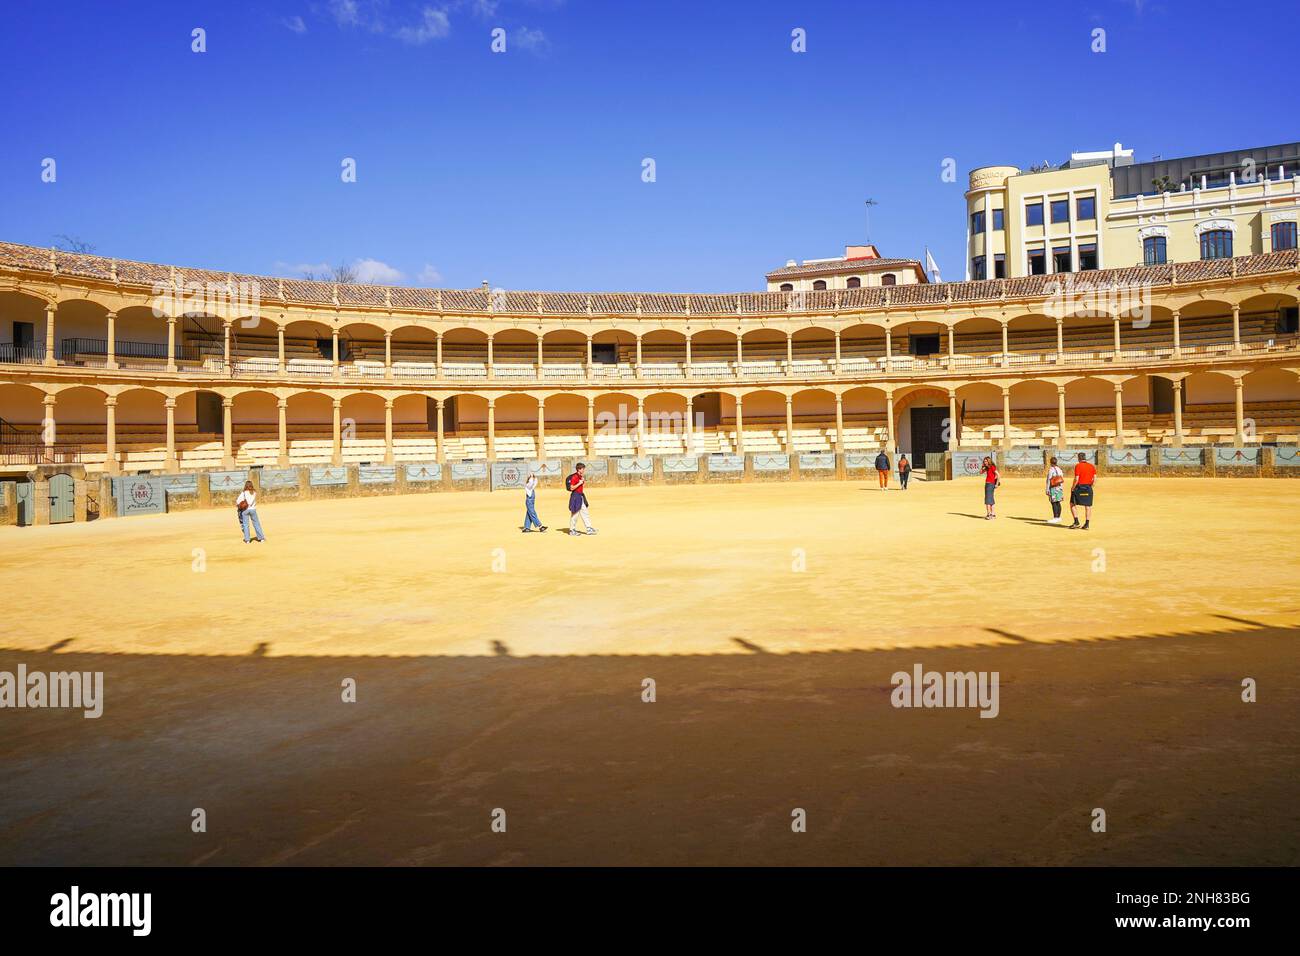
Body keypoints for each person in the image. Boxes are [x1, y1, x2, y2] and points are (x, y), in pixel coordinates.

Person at [565, 462, 597, 536]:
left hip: (580, 496)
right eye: (582, 469)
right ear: (579, 469)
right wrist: (579, 483)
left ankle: (589, 528)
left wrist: (581, 482)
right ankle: (572, 530)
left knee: (585, 512)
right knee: (575, 514)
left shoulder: (580, 477)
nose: (583, 470)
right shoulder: (575, 477)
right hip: (575, 496)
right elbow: (571, 488)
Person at [1069, 452, 1097, 530]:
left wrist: (1073, 487)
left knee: (1072, 504)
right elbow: (1095, 479)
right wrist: (1091, 487)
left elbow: (1076, 479)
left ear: (1079, 458)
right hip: (1088, 487)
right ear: (1085, 458)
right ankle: (1087, 524)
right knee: (1088, 506)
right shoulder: (1091, 466)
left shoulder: (1078, 466)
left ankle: (1076, 522)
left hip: (1079, 487)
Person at [1045, 456, 1065, 524]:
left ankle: (1055, 517)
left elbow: (1049, 480)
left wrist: (1047, 489)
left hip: (1053, 487)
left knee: (1053, 503)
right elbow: (1061, 478)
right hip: (1059, 487)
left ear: (1050, 463)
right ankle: (1058, 517)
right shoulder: (1059, 469)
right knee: (1058, 502)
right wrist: (1061, 488)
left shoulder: (1051, 470)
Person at [980, 455, 999, 519]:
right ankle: (993, 514)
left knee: (987, 499)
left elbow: (998, 475)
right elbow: (980, 472)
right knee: (991, 499)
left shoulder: (992, 467)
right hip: (989, 484)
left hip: (990, 484)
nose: (985, 462)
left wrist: (996, 483)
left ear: (988, 461)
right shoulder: (987, 467)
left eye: (986, 461)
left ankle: (989, 514)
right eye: (984, 461)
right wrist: (982, 467)